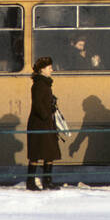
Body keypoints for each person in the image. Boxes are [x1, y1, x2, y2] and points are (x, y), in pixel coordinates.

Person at [27, 57, 61, 191]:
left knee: (49, 152)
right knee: (37, 153)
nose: (52, 69)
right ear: (42, 69)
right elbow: (38, 104)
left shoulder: (44, 83)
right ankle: (33, 182)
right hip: (40, 123)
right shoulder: (40, 84)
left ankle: (46, 180)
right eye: (49, 67)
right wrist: (47, 113)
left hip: (45, 123)